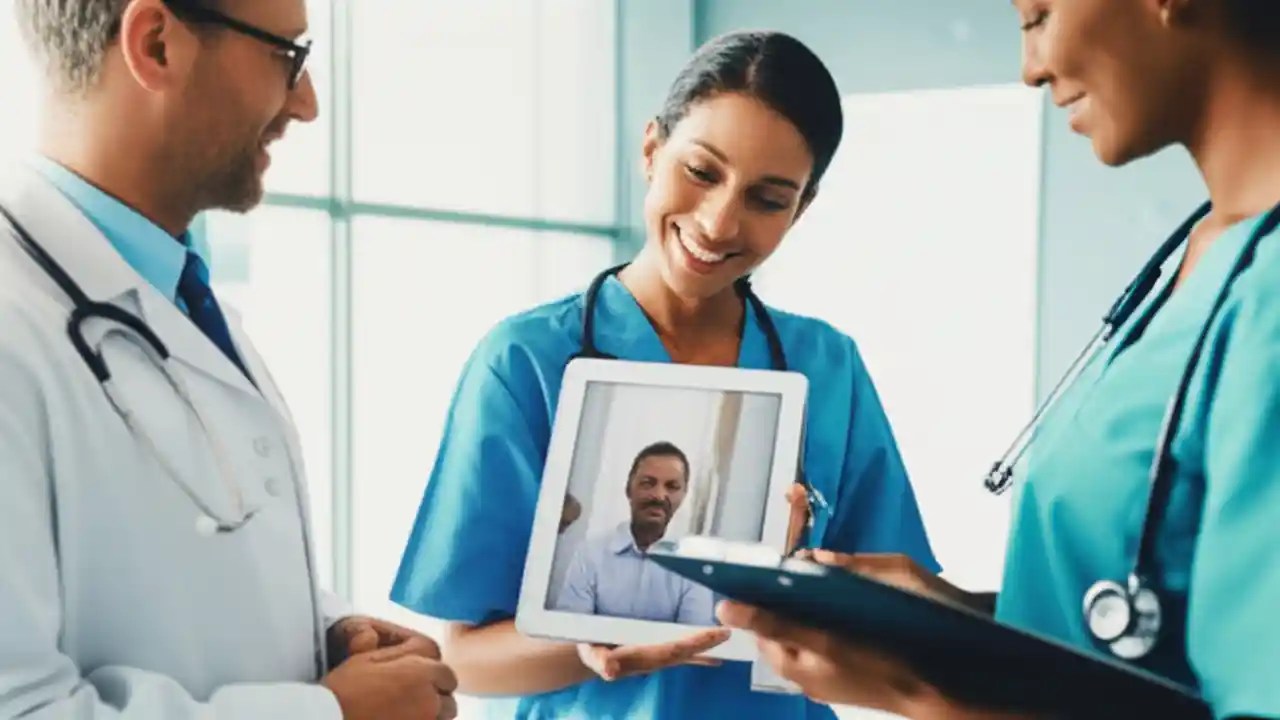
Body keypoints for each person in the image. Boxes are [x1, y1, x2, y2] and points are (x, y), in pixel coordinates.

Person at [719, 1, 1280, 719]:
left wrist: (920, 691)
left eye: (1038, 15)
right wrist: (956, 618)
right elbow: (1148, 636)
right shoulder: (1202, 252)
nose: (1030, 68)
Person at [391, 29, 939, 720]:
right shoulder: (525, 362)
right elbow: (465, 657)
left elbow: (899, 630)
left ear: (801, 209)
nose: (718, 221)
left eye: (768, 199)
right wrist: (595, 643)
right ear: (652, 149)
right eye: (702, 172)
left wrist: (802, 594)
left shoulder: (829, 368)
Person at [0, 1, 455, 718]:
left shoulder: (167, 290)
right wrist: (330, 714)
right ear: (157, 45)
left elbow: (184, 559)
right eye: (287, 57)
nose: (304, 104)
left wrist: (324, 631)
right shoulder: (14, 327)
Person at [553, 442, 717, 625]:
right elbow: (570, 633)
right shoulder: (590, 553)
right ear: (628, 489)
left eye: (672, 486)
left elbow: (696, 643)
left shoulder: (694, 566)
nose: (659, 495)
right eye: (648, 483)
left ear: (684, 495)